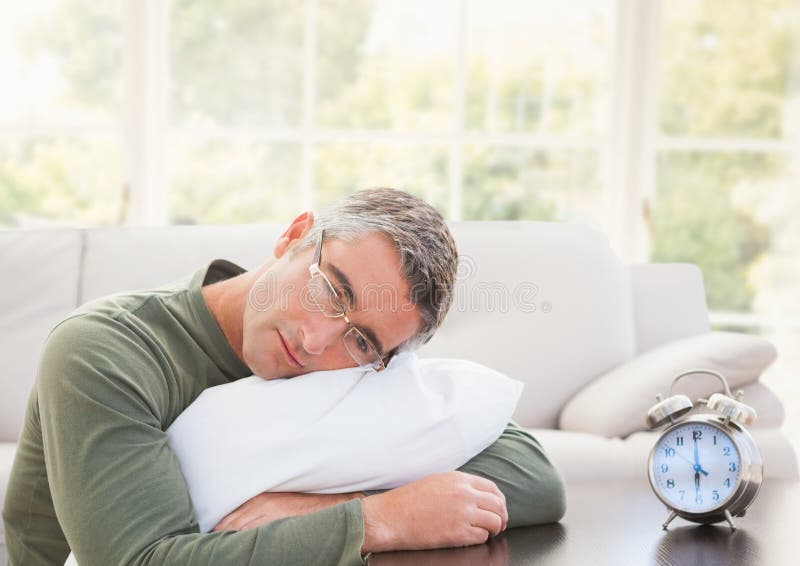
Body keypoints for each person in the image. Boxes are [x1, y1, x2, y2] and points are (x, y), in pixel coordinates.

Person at [3, 188, 566, 565]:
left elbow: (532, 476)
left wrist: (315, 507)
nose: (318, 340)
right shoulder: (106, 351)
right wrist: (376, 521)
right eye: (331, 289)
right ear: (296, 235)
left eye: (362, 338)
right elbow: (142, 560)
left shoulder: (362, 365)